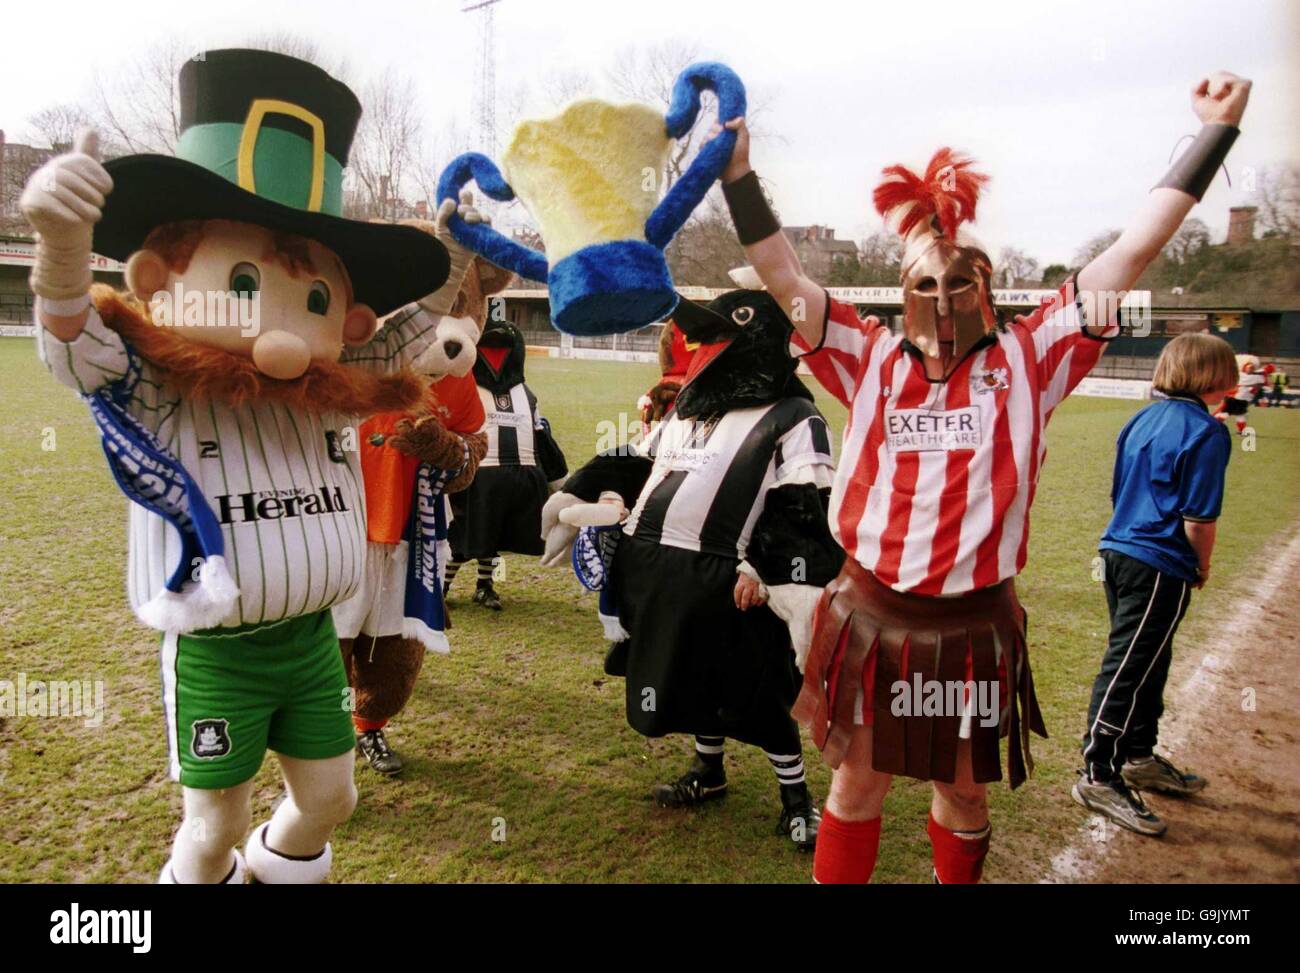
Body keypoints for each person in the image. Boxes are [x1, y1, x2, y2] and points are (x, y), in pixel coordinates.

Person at [707, 69, 1252, 882]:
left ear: (989, 288)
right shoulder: (868, 355)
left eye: (961, 281)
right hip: (870, 614)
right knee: (857, 784)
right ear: (902, 294)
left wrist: (1213, 133)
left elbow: (1134, 248)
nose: (944, 297)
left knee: (964, 794)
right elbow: (783, 275)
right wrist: (738, 177)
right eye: (925, 284)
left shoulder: (1034, 356)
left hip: (972, 625)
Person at [19, 49, 460, 883]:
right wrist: (64, 244)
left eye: (316, 298)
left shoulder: (329, 391)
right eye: (247, 282)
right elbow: (75, 341)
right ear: (159, 279)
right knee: (214, 821)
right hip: (218, 650)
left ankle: (270, 871)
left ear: (348, 316)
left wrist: (457, 249)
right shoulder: (161, 385)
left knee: (332, 800)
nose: (287, 325)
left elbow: (407, 339)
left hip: (309, 641)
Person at [541, 284, 842, 849]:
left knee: (757, 689)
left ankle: (796, 799)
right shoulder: (690, 405)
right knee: (690, 675)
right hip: (659, 569)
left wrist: (766, 569)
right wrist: (582, 491)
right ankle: (709, 772)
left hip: (731, 580)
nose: (699, 347)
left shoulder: (796, 416)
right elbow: (637, 458)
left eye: (716, 336)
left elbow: (807, 501)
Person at [1074, 333, 1238, 835]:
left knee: (1147, 658)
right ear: (1212, 376)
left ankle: (1139, 755)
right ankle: (1098, 772)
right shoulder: (1207, 432)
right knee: (1128, 665)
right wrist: (1202, 566)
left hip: (1118, 552)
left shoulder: (1141, 418)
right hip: (1159, 561)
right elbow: (1198, 520)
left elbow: (1118, 489)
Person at [444, 319, 567, 610]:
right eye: (488, 348)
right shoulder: (464, 387)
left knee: (494, 535)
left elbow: (541, 438)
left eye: (502, 349)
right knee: (463, 539)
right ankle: (440, 588)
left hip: (519, 474)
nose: (495, 356)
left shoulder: (527, 394)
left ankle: (485, 586)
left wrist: (559, 480)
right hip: (477, 476)